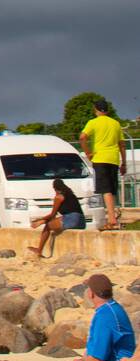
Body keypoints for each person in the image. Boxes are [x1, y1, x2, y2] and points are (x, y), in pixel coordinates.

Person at [42, 274, 136, 361]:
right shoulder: (107, 309)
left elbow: (98, 358)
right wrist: (82, 360)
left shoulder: (107, 315)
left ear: (91, 294)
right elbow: (95, 353)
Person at [79, 100, 125, 230]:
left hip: (100, 158)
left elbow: (82, 137)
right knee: (112, 188)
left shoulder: (93, 123)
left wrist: (87, 152)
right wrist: (124, 163)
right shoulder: (115, 123)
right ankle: (113, 215)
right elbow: (122, 144)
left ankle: (111, 220)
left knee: (105, 190)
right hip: (114, 159)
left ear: (96, 110)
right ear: (107, 110)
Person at [28, 178, 85, 259]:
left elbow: (52, 215)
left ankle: (39, 250)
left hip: (72, 219)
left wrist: (40, 220)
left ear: (55, 188)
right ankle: (41, 223)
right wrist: (42, 220)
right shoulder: (71, 194)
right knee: (53, 222)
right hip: (82, 221)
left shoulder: (59, 197)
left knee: (47, 227)